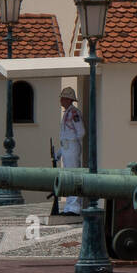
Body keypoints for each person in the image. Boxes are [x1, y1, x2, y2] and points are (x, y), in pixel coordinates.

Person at [57, 87, 85, 215]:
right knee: (68, 177)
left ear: (68, 99)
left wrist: (74, 144)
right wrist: (60, 151)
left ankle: (74, 206)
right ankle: (69, 205)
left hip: (72, 147)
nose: (61, 100)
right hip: (66, 147)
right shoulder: (67, 113)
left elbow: (81, 132)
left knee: (73, 176)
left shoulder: (74, 113)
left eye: (63, 98)